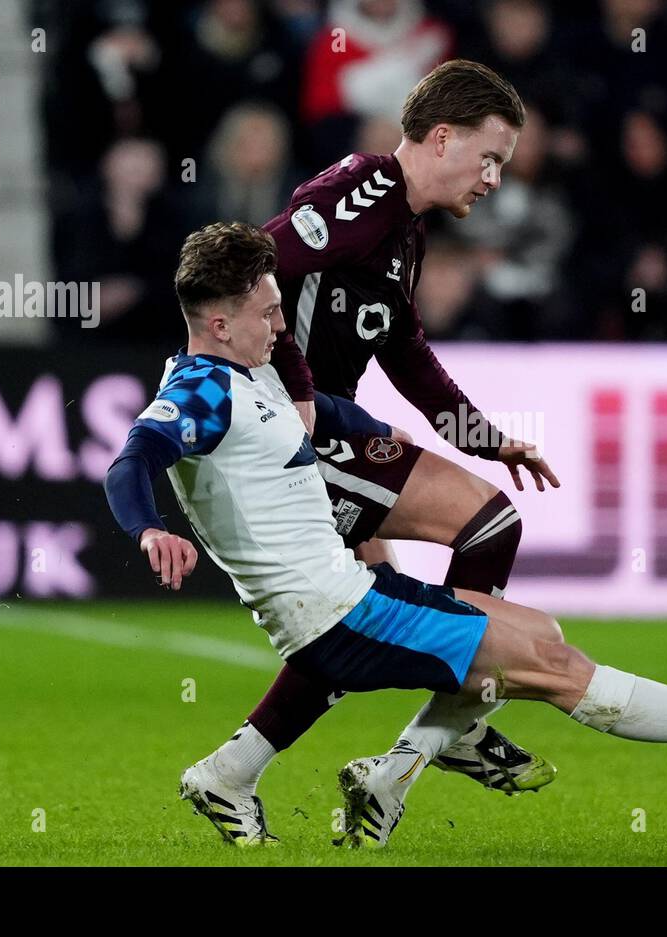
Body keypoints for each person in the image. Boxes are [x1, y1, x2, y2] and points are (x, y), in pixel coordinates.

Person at [103, 223, 667, 847]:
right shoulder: (197, 389)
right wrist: (148, 530)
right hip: (337, 614)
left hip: (351, 598)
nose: (280, 324)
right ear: (220, 322)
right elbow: (131, 460)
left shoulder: (253, 373)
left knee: (533, 632)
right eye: (267, 313)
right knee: (553, 665)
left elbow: (327, 414)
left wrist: (392, 433)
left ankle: (269, 775)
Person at [236, 59, 562, 809]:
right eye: (490, 158)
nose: (494, 179)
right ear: (441, 137)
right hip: (305, 434)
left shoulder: (403, 228)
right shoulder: (360, 196)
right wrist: (288, 391)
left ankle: (231, 775)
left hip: (326, 426)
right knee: (488, 524)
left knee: (359, 619)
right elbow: (254, 265)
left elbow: (406, 354)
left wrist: (484, 438)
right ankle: (459, 706)